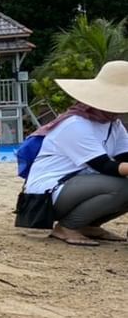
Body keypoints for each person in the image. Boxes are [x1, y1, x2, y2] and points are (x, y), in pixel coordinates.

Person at [23, 61, 128, 246]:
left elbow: (124, 156)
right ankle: (67, 227)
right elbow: (104, 165)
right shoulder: (75, 125)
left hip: (76, 186)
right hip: (46, 195)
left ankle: (88, 224)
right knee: (123, 188)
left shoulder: (114, 125)